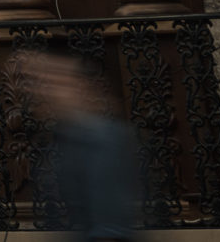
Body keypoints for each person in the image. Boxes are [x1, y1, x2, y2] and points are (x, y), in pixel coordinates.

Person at [15, 49, 143, 242]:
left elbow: (109, 222)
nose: (45, 93)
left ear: (77, 87)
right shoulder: (65, 138)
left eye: (56, 84)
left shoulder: (101, 139)